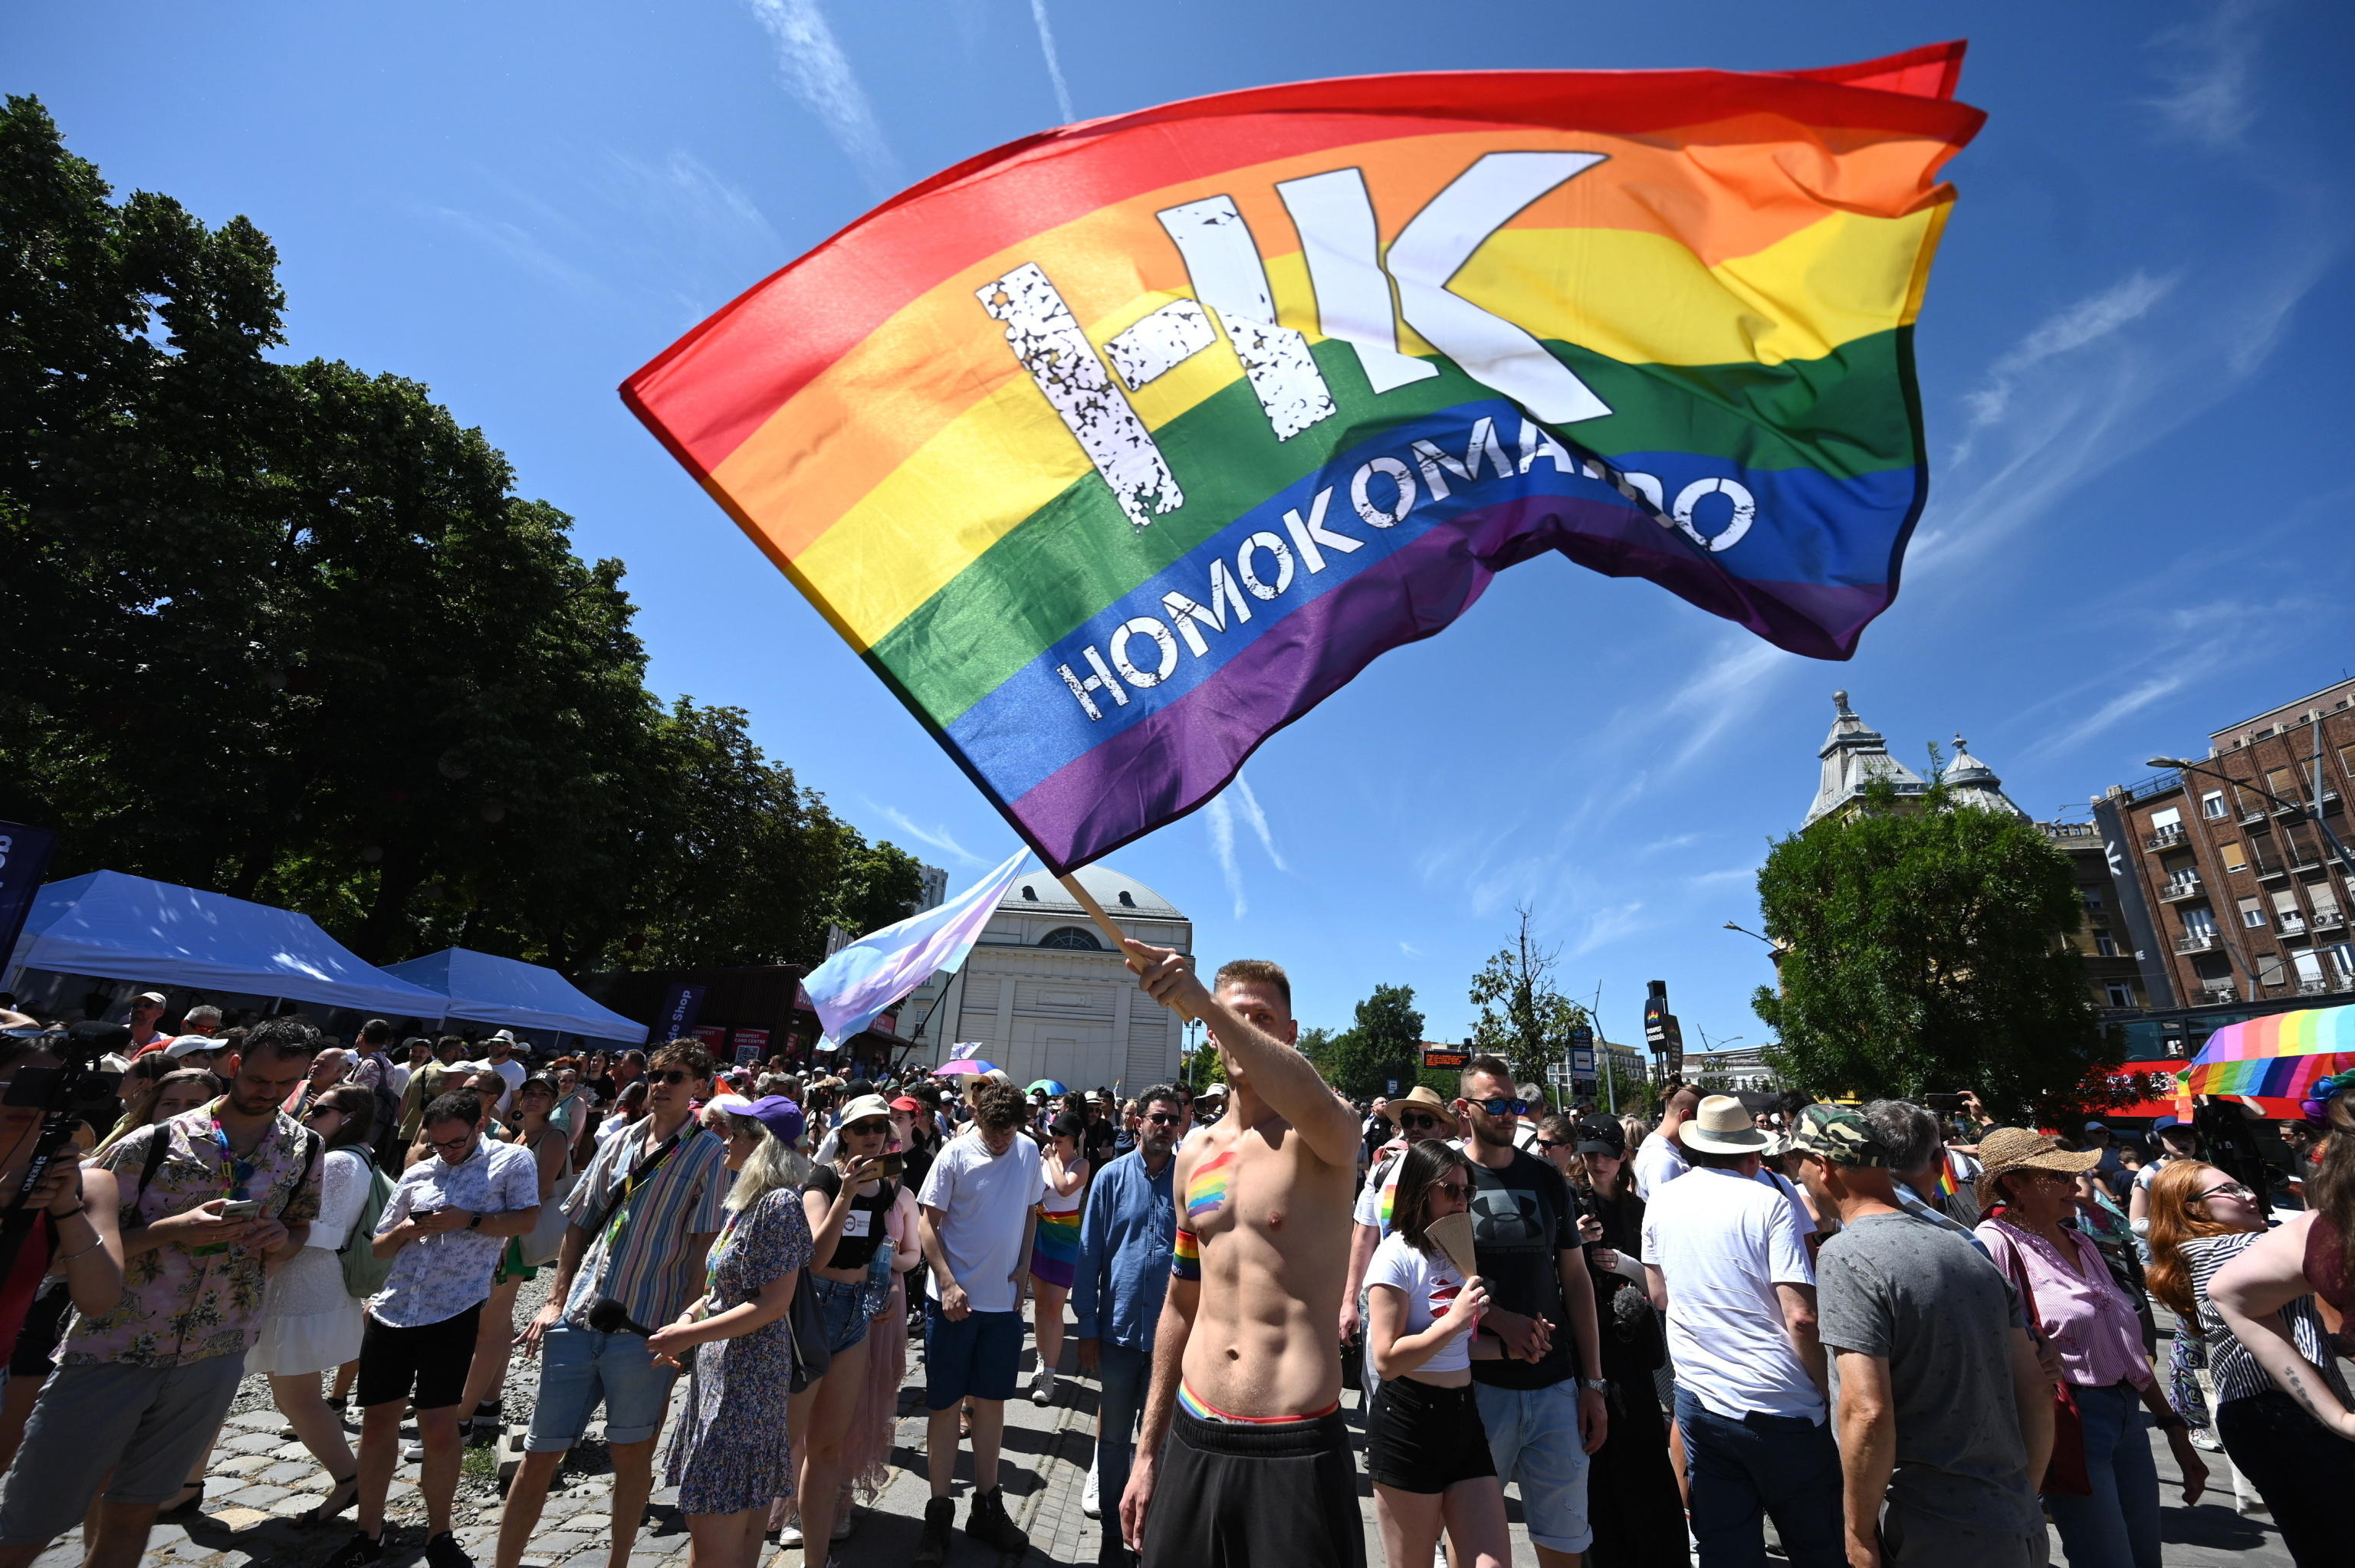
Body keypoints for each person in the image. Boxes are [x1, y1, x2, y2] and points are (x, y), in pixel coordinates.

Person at [0, 1019, 318, 1568]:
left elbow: (299, 1228)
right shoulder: (153, 1142)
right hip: (115, 1346)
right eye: (259, 1079)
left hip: (214, 1351)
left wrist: (279, 1238)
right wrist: (175, 1230)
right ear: (235, 1066)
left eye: (283, 1084)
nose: (267, 1094)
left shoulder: (303, 1147)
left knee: (135, 1514)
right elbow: (71, 1249)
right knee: (31, 1519)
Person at [1117, 954, 1365, 1568]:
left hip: (1294, 1444)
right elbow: (1181, 1301)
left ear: (1289, 1034)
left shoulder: (1324, 1136)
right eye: (1233, 1017)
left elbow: (1319, 1109)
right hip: (1196, 1432)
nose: (1242, 1029)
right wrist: (1148, 1451)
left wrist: (1209, 1007)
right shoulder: (1195, 1151)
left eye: (1262, 1017)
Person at [497, 1040, 731, 1568]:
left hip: (645, 1329)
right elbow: (579, 1224)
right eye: (655, 1074)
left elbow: (701, 1252)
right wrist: (554, 1302)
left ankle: (619, 1562)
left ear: (699, 1086)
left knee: (631, 1457)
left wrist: (684, 1330)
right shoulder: (621, 1139)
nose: (661, 1084)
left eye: (675, 1076)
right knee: (538, 1455)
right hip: (579, 1317)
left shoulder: (709, 1153)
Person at [1793, 1104, 2048, 1568]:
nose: (1799, 1175)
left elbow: (1866, 1409)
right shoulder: (1965, 1246)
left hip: (1929, 1529)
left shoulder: (1847, 1254)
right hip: (2013, 1520)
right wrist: (2022, 1496)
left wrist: (1857, 1532)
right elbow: (2034, 1388)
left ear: (1824, 1166)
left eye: (1799, 1162)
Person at [1972, 1127, 2204, 1568]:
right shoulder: (1995, 1243)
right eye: (2057, 1177)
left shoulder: (2080, 1240)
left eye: (2072, 1176)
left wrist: (2172, 1426)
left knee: (2145, 1558)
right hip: (2071, 1422)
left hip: (2127, 1417)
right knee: (2107, 1559)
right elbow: (1999, 1349)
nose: (2073, 1186)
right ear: (2015, 1184)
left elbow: (2127, 1349)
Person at [336, 1088, 541, 1568]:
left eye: (456, 1143)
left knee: (439, 1426)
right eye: (437, 1143)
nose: (446, 1152)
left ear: (479, 1125)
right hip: (395, 1308)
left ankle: (439, 1534)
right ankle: (369, 1530)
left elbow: (528, 1221)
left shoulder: (511, 1161)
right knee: (378, 1422)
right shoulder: (418, 1171)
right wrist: (409, 1229)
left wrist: (467, 1220)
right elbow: (381, 1248)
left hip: (454, 1309)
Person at [1641, 1094, 1840, 1568]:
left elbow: (1660, 1294)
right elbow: (1801, 1316)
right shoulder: (1767, 1202)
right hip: (1780, 1401)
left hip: (1700, 1396)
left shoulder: (1662, 1200)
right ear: (1751, 1155)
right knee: (1818, 1543)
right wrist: (1828, 1389)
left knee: (1725, 1544)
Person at [2143, 1156, 2344, 1563]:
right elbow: (2324, 1237)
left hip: (2285, 1413)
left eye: (2244, 1184)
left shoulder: (2241, 1246)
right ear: (2194, 1209)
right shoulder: (2213, 1250)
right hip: (2275, 1417)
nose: (2249, 1194)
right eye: (2229, 1190)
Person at [1452, 1056, 1607, 1568]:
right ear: (1464, 1109)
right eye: (1493, 1103)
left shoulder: (1544, 1177)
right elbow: (1430, 1285)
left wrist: (1593, 1383)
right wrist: (1497, 1319)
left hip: (1555, 1389)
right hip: (1476, 1389)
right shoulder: (1447, 1182)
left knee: (1565, 1543)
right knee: (1474, 1549)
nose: (1507, 1114)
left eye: (1513, 1104)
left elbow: (1576, 1280)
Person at [650, 1094, 814, 1568]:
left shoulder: (779, 1204)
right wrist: (689, 1317)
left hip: (746, 1382)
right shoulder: (749, 1202)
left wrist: (688, 1337)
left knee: (716, 1529)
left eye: (736, 1130)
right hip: (726, 1377)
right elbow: (725, 1288)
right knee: (726, 1529)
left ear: (762, 1143)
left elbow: (772, 1302)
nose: (725, 1136)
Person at [911, 1075, 1042, 1564]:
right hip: (952, 1304)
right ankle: (938, 1511)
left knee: (991, 1404)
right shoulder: (956, 1154)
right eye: (993, 1132)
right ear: (979, 1119)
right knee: (945, 1408)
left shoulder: (1028, 1151)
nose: (1001, 1140)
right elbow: (927, 1222)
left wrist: (1025, 1267)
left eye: (1008, 1132)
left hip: (1001, 1305)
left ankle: (987, 1507)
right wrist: (946, 1282)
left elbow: (1031, 1211)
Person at [1364, 1138, 1509, 1568]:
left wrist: (1515, 1349)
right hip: (1408, 1421)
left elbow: (1460, 1348)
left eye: (1468, 1191)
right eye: (1451, 1190)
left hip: (1463, 1415)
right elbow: (1386, 1360)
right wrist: (1455, 1319)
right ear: (1420, 1190)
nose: (1462, 1201)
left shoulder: (1455, 1253)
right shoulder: (1395, 1256)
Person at [248, 1085, 378, 1526]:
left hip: (304, 1285)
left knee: (295, 1396)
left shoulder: (341, 1160)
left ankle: (351, 1479)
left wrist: (270, 1229)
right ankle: (188, 1485)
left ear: (349, 1116)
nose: (307, 1112)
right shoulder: (349, 1155)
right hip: (298, 1281)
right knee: (291, 1393)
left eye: (320, 1108)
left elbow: (326, 1231)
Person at [1561, 1115, 1686, 1568]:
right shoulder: (1574, 1204)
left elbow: (1658, 1276)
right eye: (1588, 1154)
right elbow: (1560, 1272)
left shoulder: (1639, 1210)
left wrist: (1626, 1265)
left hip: (1634, 1345)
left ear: (1623, 1158)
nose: (1595, 1163)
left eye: (1604, 1155)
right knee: (1599, 1455)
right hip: (1590, 1344)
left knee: (1641, 1448)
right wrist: (1576, 1239)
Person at [0, 1030, 123, 1477]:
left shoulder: (85, 1184)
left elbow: (99, 1300)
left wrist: (65, 1208)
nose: (40, 1100)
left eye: (60, 1089)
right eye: (28, 1081)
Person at [787, 1094, 901, 1556]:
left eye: (880, 1128)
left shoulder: (890, 1184)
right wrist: (847, 1193)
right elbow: (815, 1255)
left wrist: (885, 1286)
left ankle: (816, 1556)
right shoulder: (824, 1178)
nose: (873, 1135)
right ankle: (779, 1517)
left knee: (829, 1445)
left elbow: (878, 1245)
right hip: (814, 1305)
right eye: (863, 1127)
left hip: (855, 1308)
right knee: (790, 1436)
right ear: (845, 1134)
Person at [1073, 1084, 1182, 1566]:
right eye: (1157, 1118)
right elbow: (1089, 1255)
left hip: (1171, 1341)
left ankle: (1149, 1536)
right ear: (1138, 1122)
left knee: (1158, 1442)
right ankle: (1112, 1541)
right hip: (1117, 1333)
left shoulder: (1189, 1183)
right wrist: (1088, 1326)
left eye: (1172, 1121)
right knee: (1114, 1439)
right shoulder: (1110, 1179)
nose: (1164, 1128)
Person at [455, 1074, 572, 1445]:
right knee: (499, 1324)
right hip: (508, 1233)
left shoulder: (552, 1138)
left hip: (516, 1238)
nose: (535, 1099)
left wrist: (502, 1232)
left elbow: (537, 1191)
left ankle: (463, 1414)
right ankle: (488, 1404)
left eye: (544, 1095)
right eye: (530, 1093)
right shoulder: (518, 1135)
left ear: (553, 1102)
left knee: (488, 1325)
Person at [1341, 1084, 1457, 1347]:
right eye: (1408, 1120)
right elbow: (1363, 1238)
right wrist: (1349, 1301)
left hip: (1441, 1302)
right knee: (1380, 1383)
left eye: (1425, 1121)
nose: (1415, 1127)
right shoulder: (1383, 1171)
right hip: (1383, 1299)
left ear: (1442, 1128)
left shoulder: (1459, 1174)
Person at [1030, 1112, 1089, 1407]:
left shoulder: (1081, 1164)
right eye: (1053, 1134)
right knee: (1040, 1305)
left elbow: (1065, 1187)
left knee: (1054, 1306)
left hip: (1065, 1238)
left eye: (1061, 1136)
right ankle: (1042, 1362)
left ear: (1074, 1139)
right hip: (1040, 1233)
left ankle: (1051, 1374)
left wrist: (1052, 1159)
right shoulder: (1042, 1161)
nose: (1055, 1139)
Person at [1633, 1087, 1699, 1199]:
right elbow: (1669, 1215)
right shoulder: (1662, 1161)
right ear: (1686, 1117)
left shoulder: (1663, 1153)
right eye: (1702, 1124)